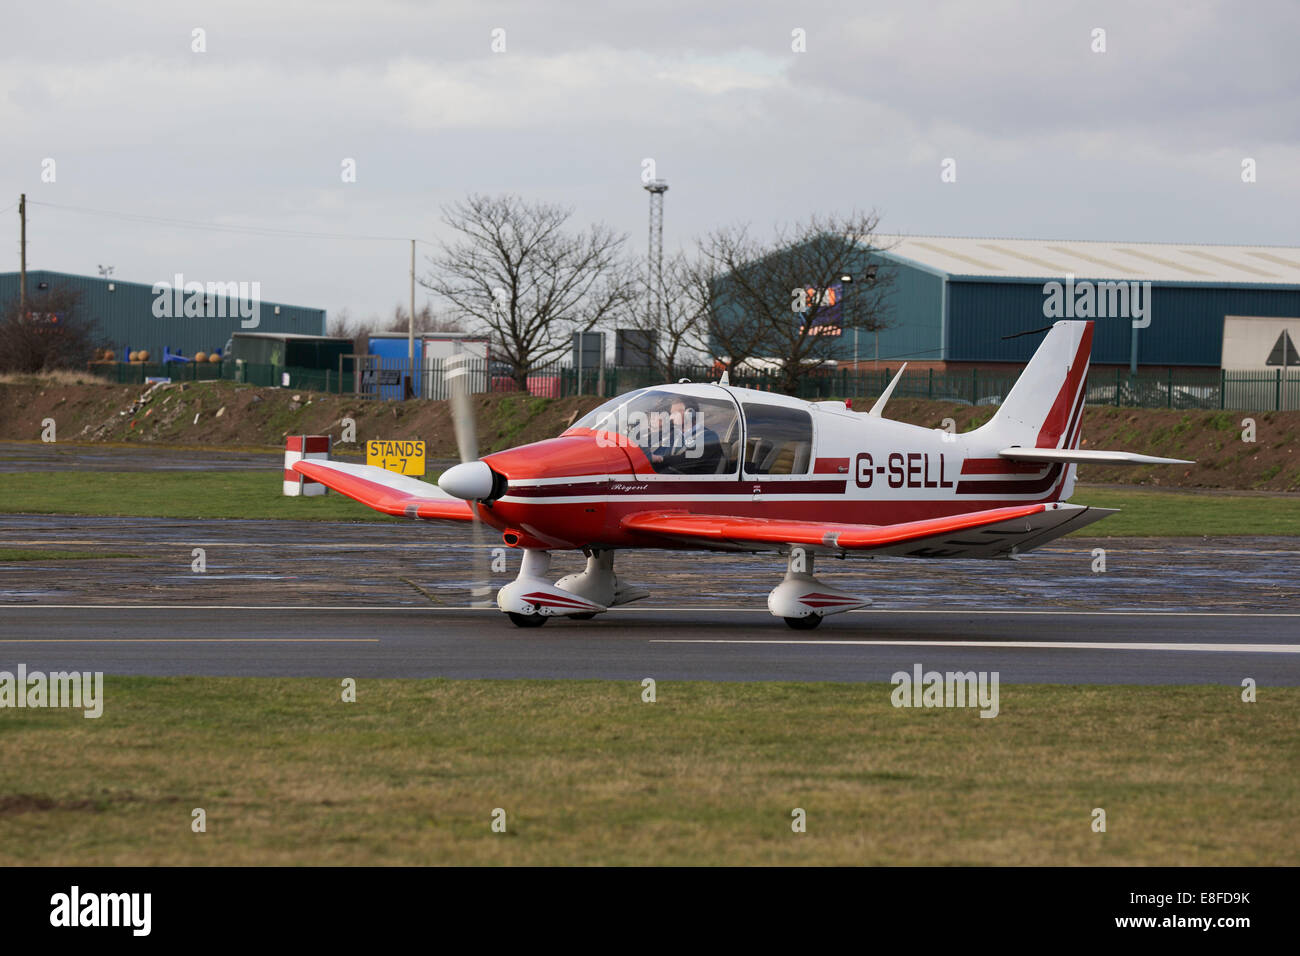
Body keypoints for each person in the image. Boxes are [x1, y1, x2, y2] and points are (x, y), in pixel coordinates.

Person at [649, 397, 723, 474]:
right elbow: (658, 452)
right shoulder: (675, 435)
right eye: (672, 413)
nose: (671, 417)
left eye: (676, 413)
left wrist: (660, 459)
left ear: (690, 413)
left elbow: (688, 460)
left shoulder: (708, 436)